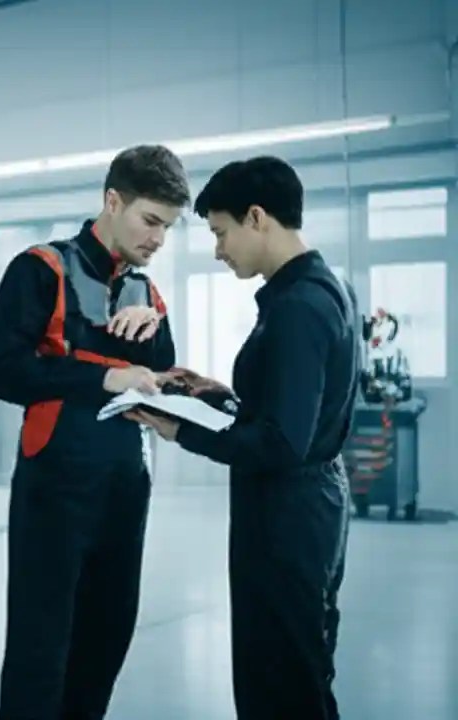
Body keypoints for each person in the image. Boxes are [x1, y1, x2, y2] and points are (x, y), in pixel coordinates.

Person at [127, 156, 358, 720]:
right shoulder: (325, 288)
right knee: (299, 665)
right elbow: (296, 410)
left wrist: (181, 429)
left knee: (278, 680)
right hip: (311, 501)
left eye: (221, 232)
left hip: (286, 512)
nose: (218, 249)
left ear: (257, 218)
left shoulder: (297, 309)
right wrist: (219, 396)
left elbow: (280, 443)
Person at [0, 144, 189, 719]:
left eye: (168, 227)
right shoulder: (41, 269)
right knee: (41, 645)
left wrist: (155, 330)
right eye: (151, 221)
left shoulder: (145, 292)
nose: (158, 239)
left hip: (125, 487)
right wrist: (105, 377)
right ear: (112, 201)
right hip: (56, 487)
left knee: (106, 636)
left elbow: (162, 381)